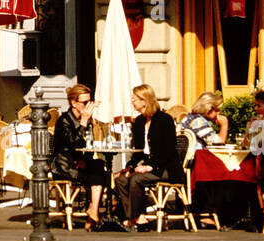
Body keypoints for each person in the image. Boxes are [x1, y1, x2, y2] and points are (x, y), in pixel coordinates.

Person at [114, 84, 177, 230]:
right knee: (121, 179)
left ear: (144, 101)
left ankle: (135, 218)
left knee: (137, 179)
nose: (132, 101)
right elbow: (138, 152)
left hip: (165, 168)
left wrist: (151, 166)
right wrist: (129, 167)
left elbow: (169, 149)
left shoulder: (164, 120)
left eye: (135, 99)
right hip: (149, 167)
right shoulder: (139, 122)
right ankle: (136, 217)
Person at [49, 83, 107, 230]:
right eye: (85, 102)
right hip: (64, 166)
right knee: (99, 175)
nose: (88, 106)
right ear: (74, 103)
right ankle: (93, 213)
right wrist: (83, 121)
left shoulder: (85, 119)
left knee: (100, 166)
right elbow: (74, 144)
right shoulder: (64, 121)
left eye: (90, 102)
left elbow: (85, 145)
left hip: (79, 162)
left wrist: (83, 159)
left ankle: (93, 211)